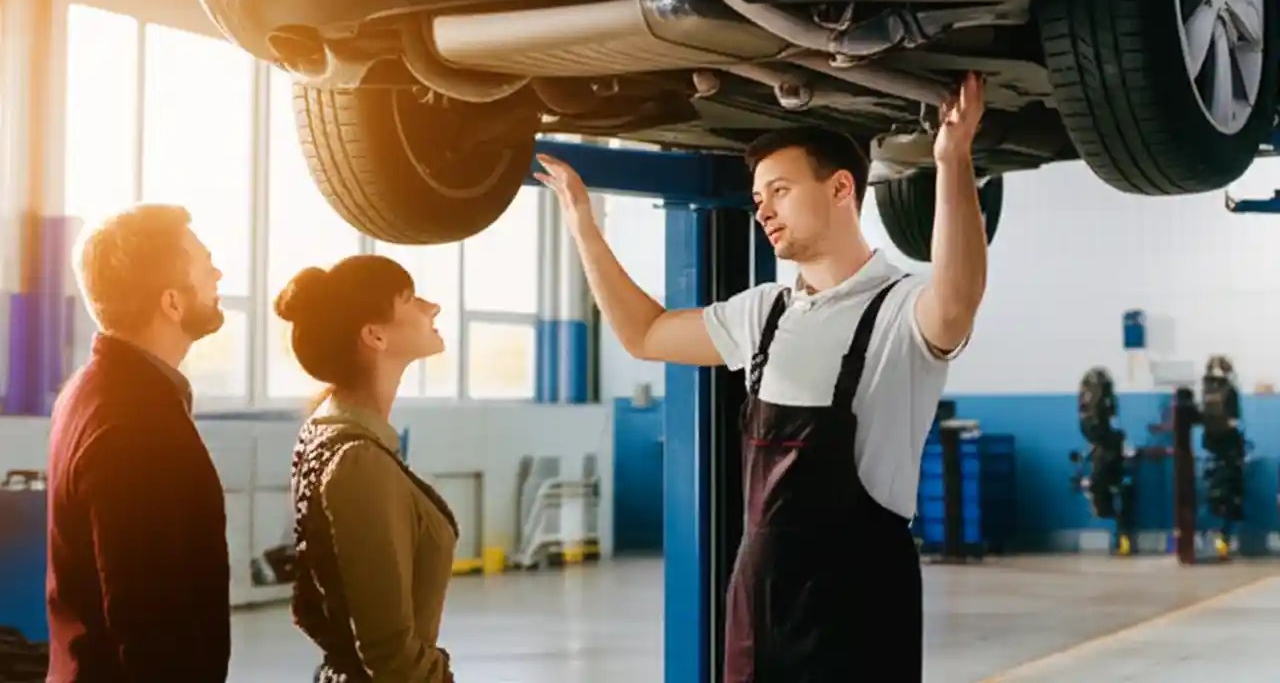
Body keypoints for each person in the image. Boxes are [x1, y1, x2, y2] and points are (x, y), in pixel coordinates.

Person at [536, 73, 989, 681]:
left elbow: (957, 298)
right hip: (758, 599)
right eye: (758, 198)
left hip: (857, 606)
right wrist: (584, 229)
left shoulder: (900, 312)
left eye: (779, 189)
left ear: (840, 188)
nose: (764, 210)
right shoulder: (763, 314)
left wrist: (952, 161)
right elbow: (644, 335)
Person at [46, 203, 230, 682]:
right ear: (172, 302)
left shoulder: (92, 388)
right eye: (206, 263)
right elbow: (147, 625)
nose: (219, 274)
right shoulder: (135, 425)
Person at [274, 254, 458, 683]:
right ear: (375, 335)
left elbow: (315, 608)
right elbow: (392, 659)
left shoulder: (324, 429)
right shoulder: (357, 461)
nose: (432, 307)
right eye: (410, 299)